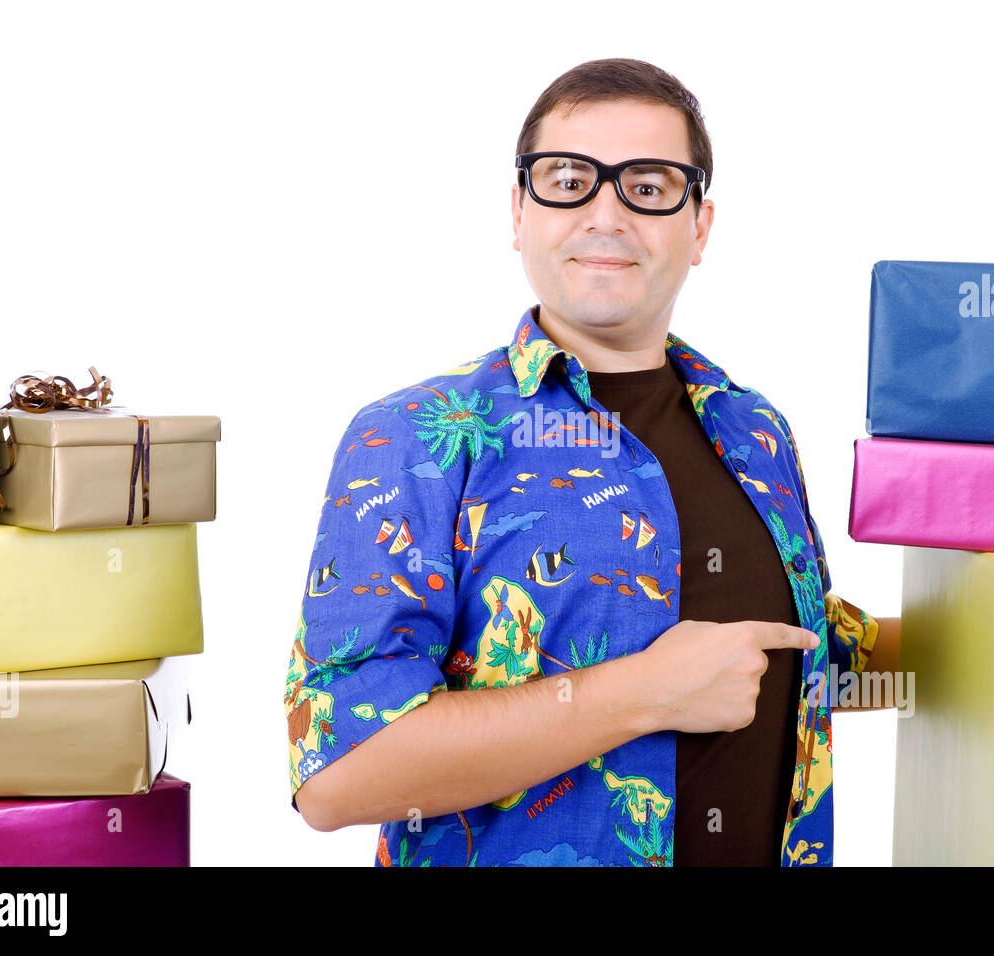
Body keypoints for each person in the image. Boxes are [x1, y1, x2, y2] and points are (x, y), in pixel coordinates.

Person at [285, 57, 901, 867]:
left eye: (647, 186)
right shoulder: (416, 434)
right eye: (569, 180)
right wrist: (643, 694)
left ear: (700, 226)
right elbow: (338, 775)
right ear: (519, 211)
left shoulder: (756, 432)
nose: (605, 214)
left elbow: (806, 659)